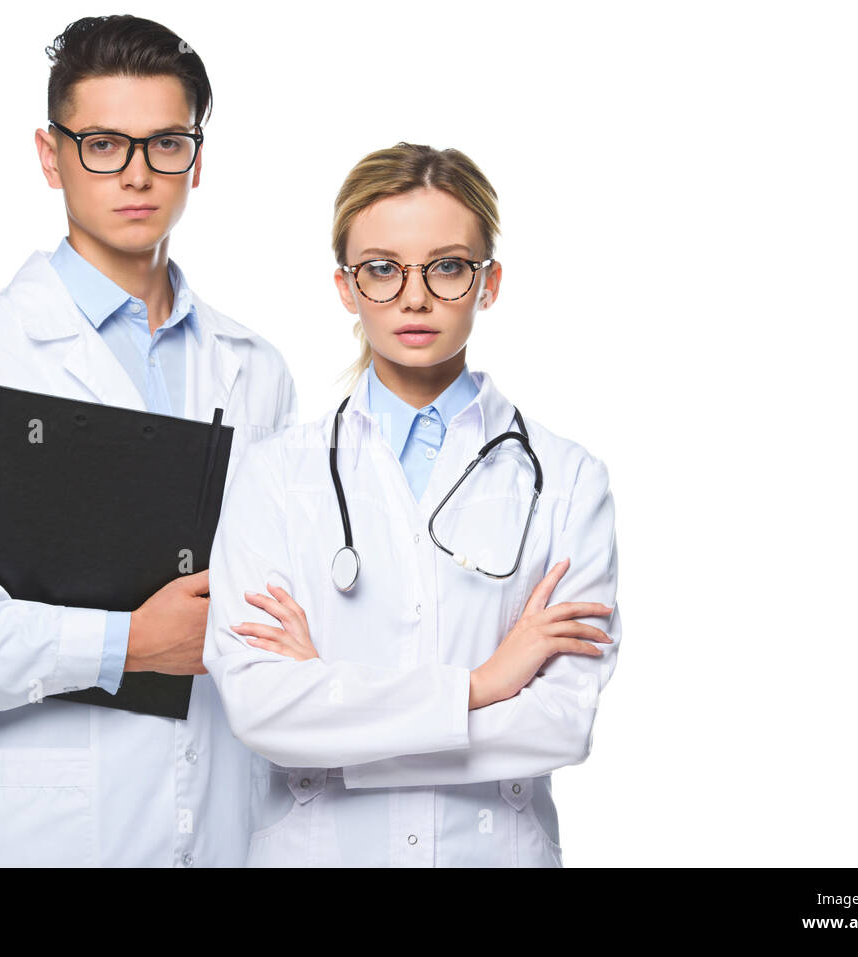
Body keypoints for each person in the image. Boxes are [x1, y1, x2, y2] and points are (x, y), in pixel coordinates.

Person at [0, 15, 296, 867]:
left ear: (197, 159)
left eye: (165, 143)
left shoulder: (256, 369)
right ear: (51, 156)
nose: (136, 173)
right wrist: (123, 644)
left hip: (228, 824)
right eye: (102, 144)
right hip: (45, 834)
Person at [204, 142, 621, 867]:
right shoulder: (274, 476)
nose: (415, 295)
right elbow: (261, 707)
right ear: (345, 286)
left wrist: (336, 720)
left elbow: (559, 723)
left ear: (488, 282)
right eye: (382, 268)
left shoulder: (567, 478)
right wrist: (483, 686)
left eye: (448, 265)